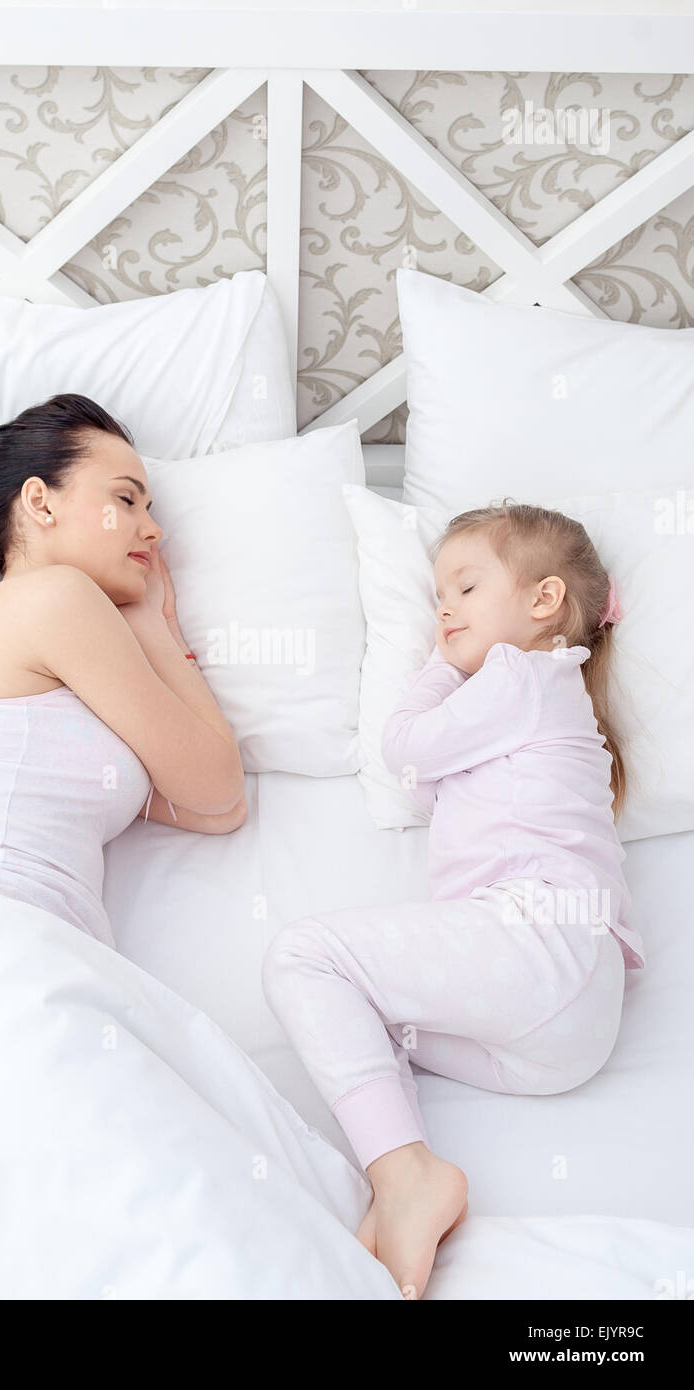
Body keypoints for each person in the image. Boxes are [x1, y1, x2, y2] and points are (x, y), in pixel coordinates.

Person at [261, 500, 645, 1300]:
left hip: (540, 942)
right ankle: (402, 1178)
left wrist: (439, 666)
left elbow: (404, 747)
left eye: (466, 588)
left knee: (305, 958)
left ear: (544, 602)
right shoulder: (535, 705)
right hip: (565, 1035)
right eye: (439, 594)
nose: (443, 609)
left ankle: (408, 1175)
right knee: (368, 1024)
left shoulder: (523, 674)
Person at [0, 392, 246, 949]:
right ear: (40, 501)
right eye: (127, 501)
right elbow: (215, 785)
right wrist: (153, 623)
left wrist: (154, 624)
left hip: (11, 939)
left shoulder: (28, 637)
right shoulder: (55, 597)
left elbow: (223, 810)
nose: (153, 531)